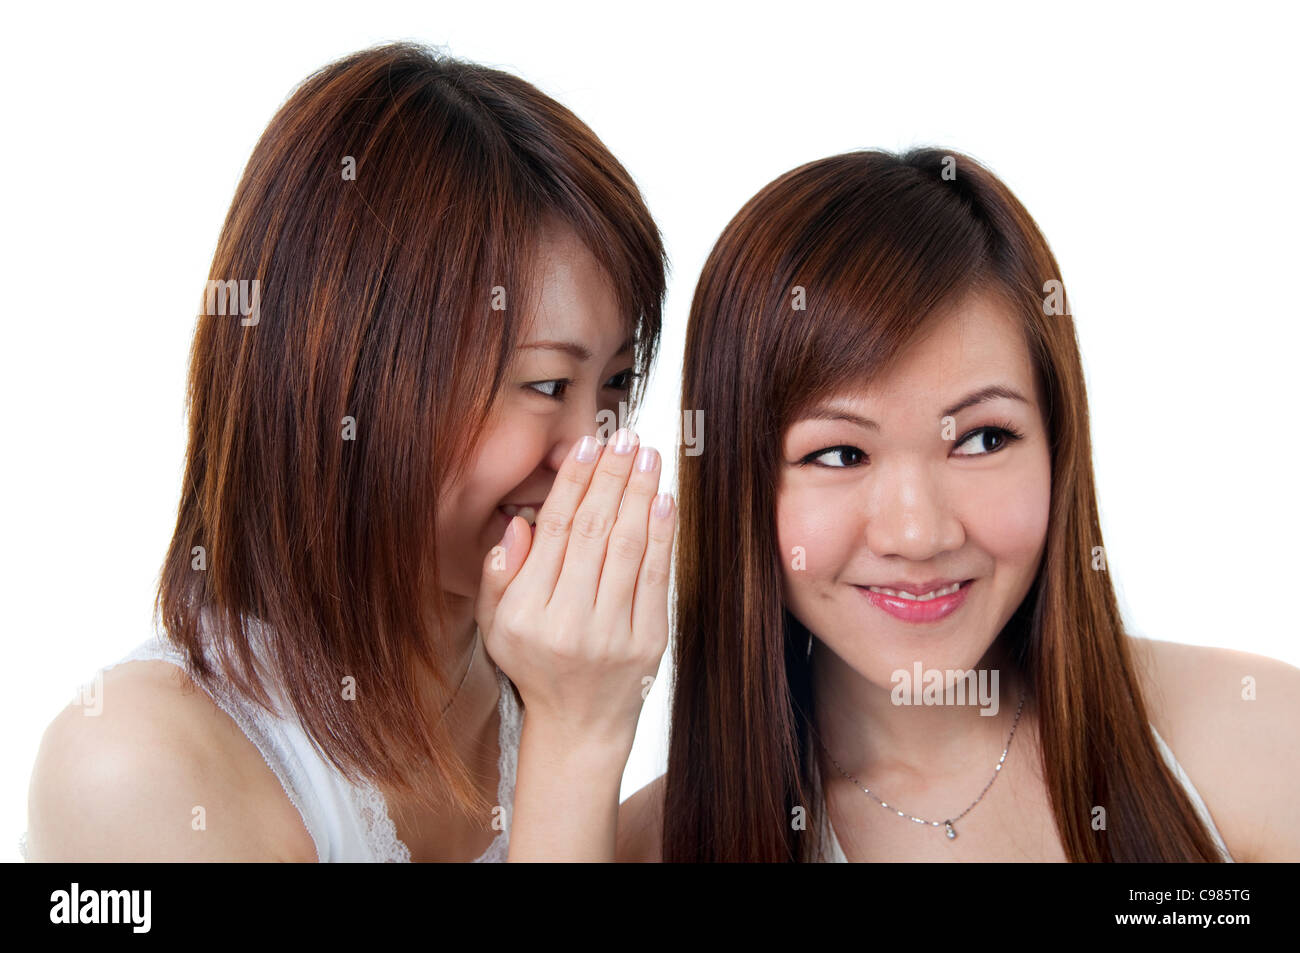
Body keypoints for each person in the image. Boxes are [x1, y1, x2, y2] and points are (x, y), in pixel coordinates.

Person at [25, 41, 674, 862]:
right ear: (353, 378)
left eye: (617, 382)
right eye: (548, 384)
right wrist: (578, 738)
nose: (595, 453)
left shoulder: (542, 673)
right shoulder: (134, 762)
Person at [618, 148, 1300, 862]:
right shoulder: (649, 846)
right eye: (840, 454)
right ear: (739, 482)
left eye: (981, 439)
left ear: (1058, 442)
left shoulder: (1253, 737)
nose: (918, 533)